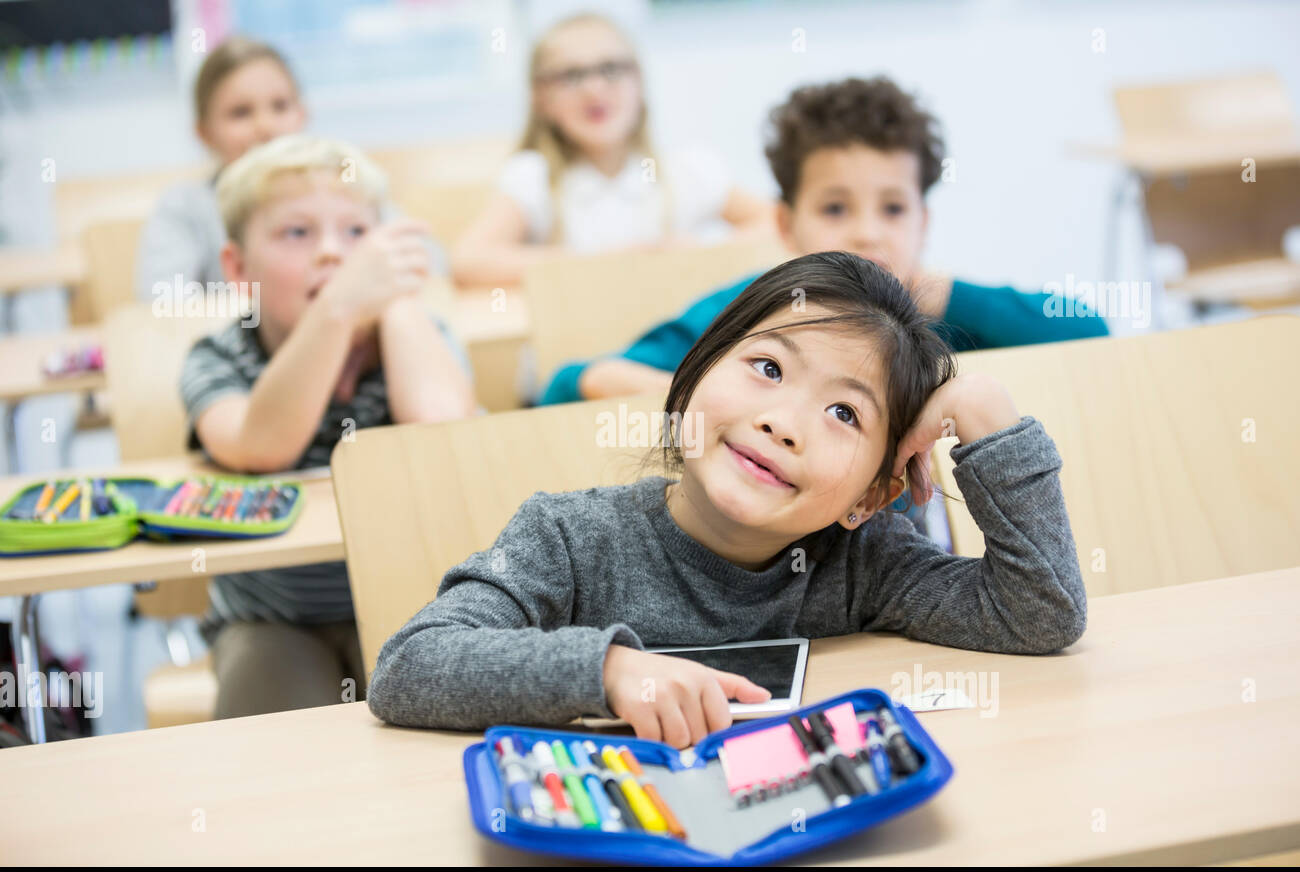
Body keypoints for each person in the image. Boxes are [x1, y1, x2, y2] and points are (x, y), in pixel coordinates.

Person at [367, 251, 1086, 748]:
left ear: (872, 495)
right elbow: (409, 668)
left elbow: (1040, 613)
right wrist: (610, 672)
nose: (783, 423)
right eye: (767, 367)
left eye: (845, 414)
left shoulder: (867, 561)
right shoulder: (568, 539)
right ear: (692, 376)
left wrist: (987, 415)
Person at [539, 76, 1110, 407]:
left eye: (893, 208)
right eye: (835, 207)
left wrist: (947, 297)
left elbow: (1090, 335)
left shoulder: (947, 315)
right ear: (785, 225)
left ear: (923, 222)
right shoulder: (752, 310)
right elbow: (568, 388)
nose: (867, 230)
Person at [180, 134, 478, 718]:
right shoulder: (218, 358)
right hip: (272, 619)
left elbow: (442, 433)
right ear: (238, 268)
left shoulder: (419, 337)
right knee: (274, 743)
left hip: (420, 600)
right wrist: (338, 308)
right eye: (297, 233)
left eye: (357, 234)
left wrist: (393, 300)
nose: (333, 254)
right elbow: (261, 447)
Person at [450, 11, 773, 286]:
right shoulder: (533, 178)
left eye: (611, 69)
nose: (594, 88)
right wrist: (602, 265)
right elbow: (468, 259)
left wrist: (698, 250)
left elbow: (777, 223)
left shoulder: (687, 170)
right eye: (571, 75)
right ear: (541, 98)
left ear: (640, 83)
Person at [135, 35, 307, 299]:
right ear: (205, 133)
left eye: (280, 106)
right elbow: (164, 303)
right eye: (240, 112)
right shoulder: (185, 208)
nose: (265, 126)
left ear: (302, 115)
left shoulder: (349, 192)